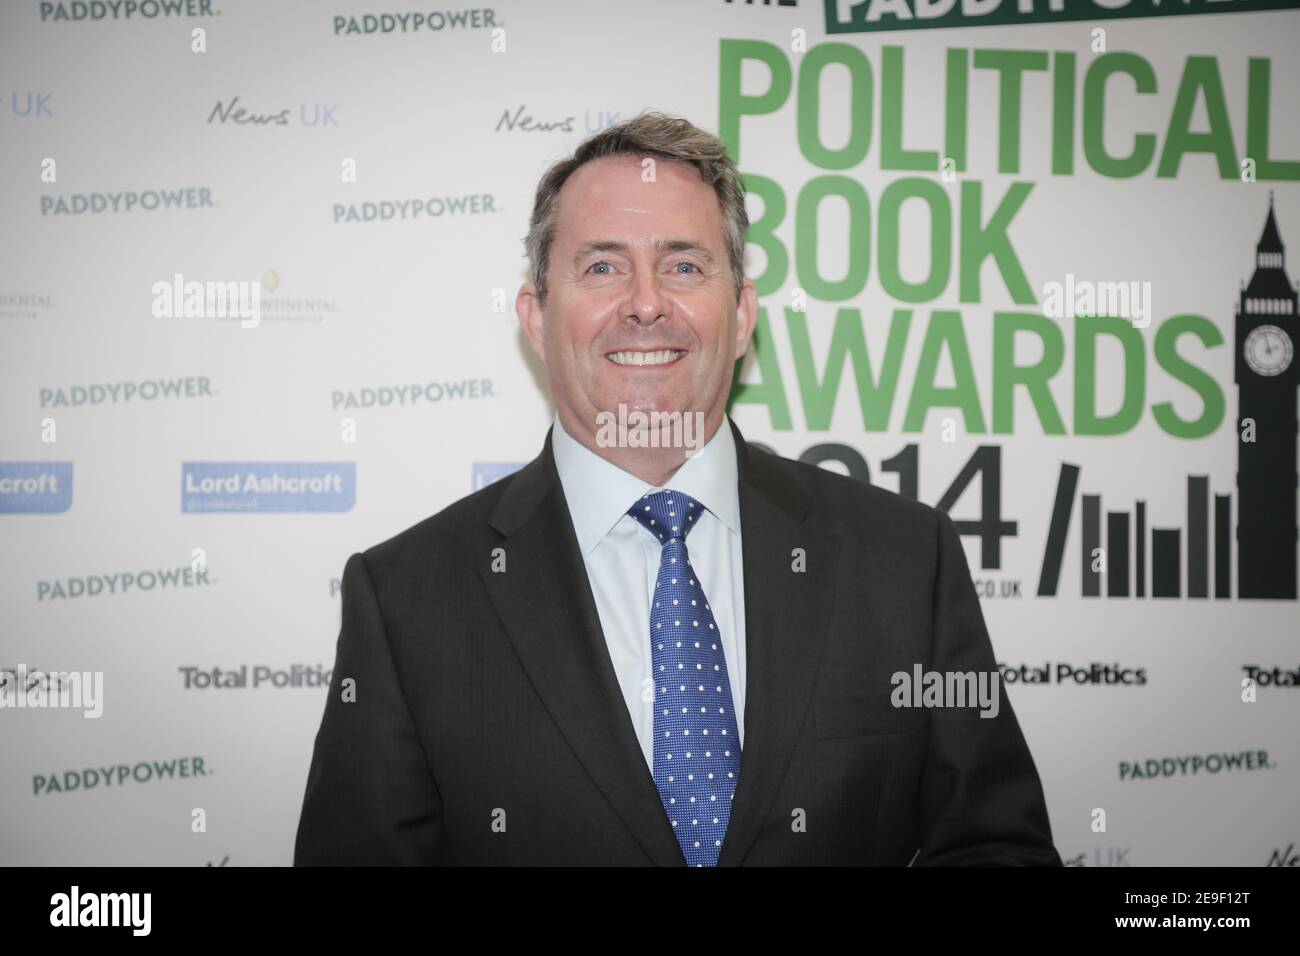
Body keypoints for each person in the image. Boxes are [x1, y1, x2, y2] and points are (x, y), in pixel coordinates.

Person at [294, 111, 1060, 866]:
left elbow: (997, 848)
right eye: (602, 266)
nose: (647, 303)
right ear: (536, 316)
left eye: (685, 265)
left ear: (743, 311)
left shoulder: (903, 559)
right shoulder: (406, 597)